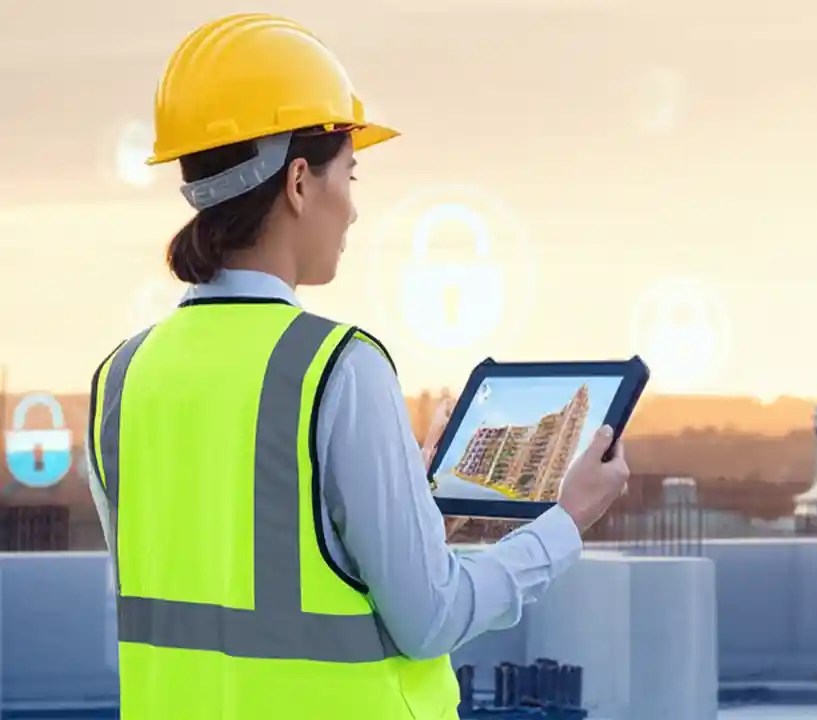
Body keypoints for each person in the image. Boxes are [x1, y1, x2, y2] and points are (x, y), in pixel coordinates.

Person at [84, 13, 630, 720]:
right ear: (300, 183)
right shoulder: (337, 369)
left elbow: (236, 575)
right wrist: (566, 520)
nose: (355, 210)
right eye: (352, 171)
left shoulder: (120, 379)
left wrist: (411, 517)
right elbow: (431, 617)